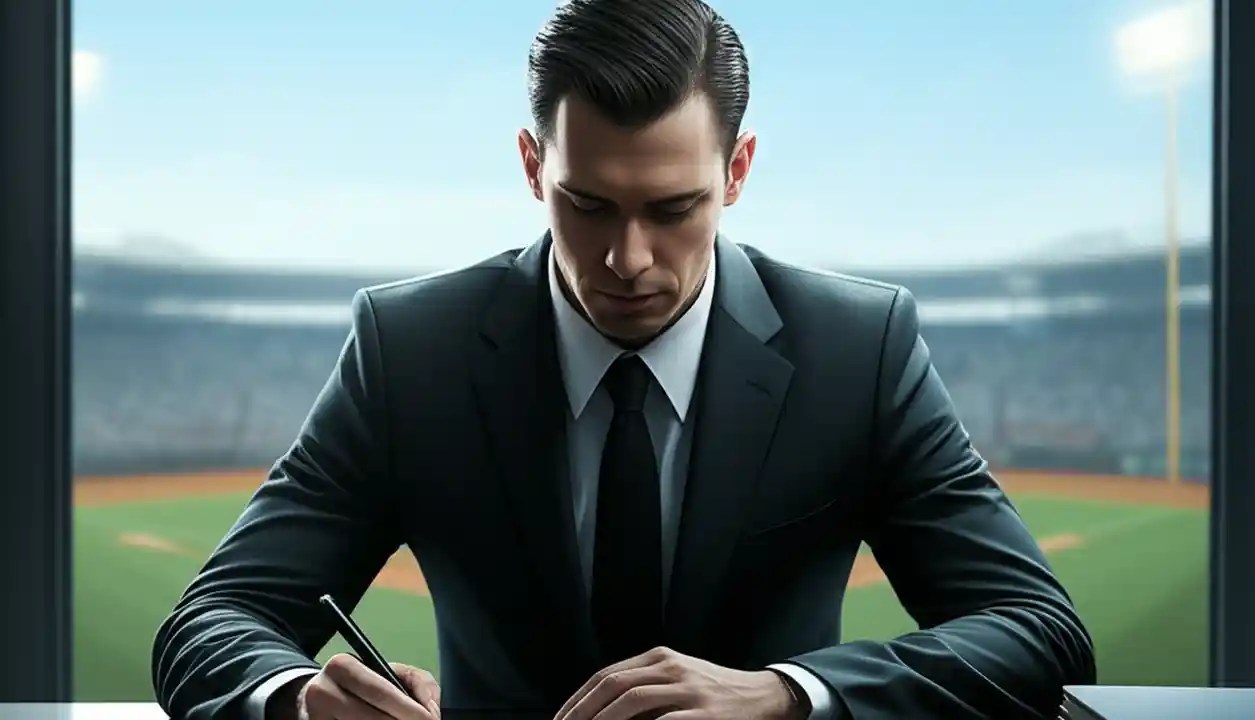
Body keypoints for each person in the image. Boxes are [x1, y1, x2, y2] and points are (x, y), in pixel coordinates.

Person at [151, 0, 1096, 718]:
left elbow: (1039, 630)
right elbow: (213, 619)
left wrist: (787, 693)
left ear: (737, 171)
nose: (628, 260)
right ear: (533, 167)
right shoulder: (411, 352)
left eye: (674, 208)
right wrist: (295, 700)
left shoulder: (859, 348)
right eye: (589, 205)